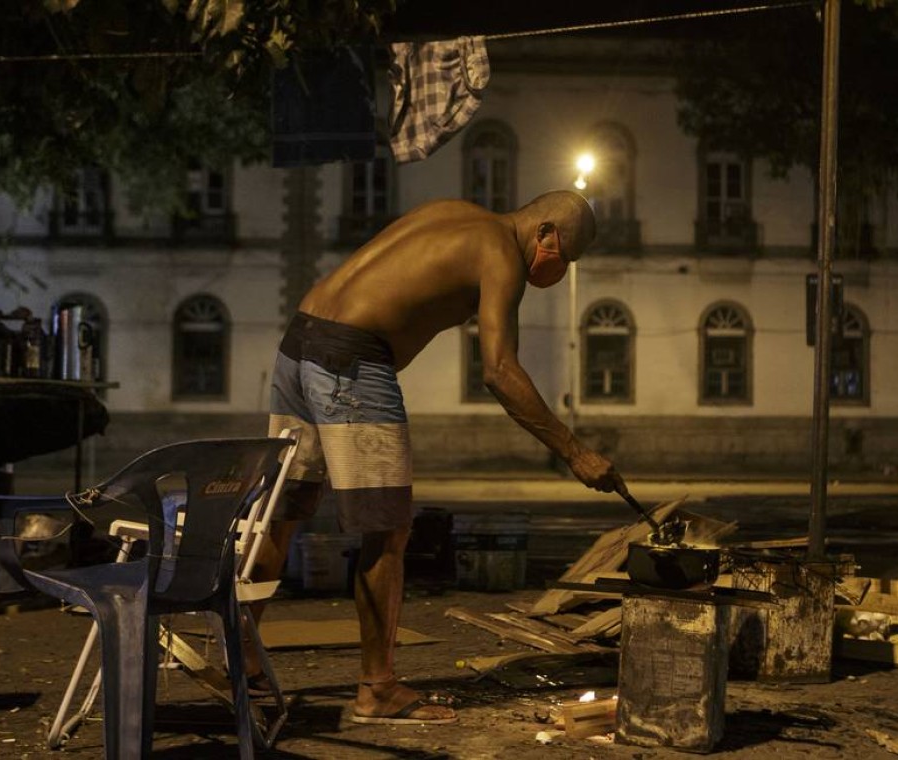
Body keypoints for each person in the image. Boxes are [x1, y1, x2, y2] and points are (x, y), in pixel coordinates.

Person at [249, 190, 621, 725]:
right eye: (567, 259)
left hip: (300, 340)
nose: (560, 273)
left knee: (283, 514)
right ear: (546, 235)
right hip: (353, 358)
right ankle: (376, 690)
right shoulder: (502, 254)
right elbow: (499, 371)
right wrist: (575, 451)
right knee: (387, 530)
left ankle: (241, 661)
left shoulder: (453, 212)